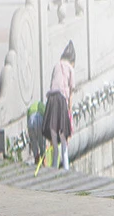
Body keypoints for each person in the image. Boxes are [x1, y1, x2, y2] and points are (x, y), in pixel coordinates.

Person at [42, 41, 75, 170]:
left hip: (51, 100)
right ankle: (66, 168)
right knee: (64, 137)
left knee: (54, 138)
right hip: (62, 101)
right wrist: (69, 111)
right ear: (72, 60)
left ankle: (54, 167)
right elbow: (70, 93)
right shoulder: (70, 69)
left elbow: (52, 84)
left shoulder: (56, 65)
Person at [27, 100, 46, 166]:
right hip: (39, 120)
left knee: (33, 141)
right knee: (42, 141)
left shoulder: (30, 108)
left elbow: (28, 120)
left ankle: (36, 158)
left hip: (30, 121)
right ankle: (43, 160)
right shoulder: (43, 107)